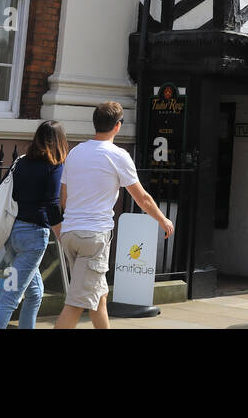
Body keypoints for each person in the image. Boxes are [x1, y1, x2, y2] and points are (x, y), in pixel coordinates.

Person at [54, 102, 174, 329]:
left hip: (70, 233)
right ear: (117, 126)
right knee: (77, 303)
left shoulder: (75, 152)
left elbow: (64, 198)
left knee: (98, 296)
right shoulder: (118, 155)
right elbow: (143, 199)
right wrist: (162, 219)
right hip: (94, 237)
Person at [0, 120, 67, 330]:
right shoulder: (54, 166)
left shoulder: (20, 162)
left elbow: (3, 191)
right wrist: (62, 236)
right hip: (33, 238)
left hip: (12, 235)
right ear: (60, 141)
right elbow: (51, 204)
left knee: (35, 293)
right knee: (10, 299)